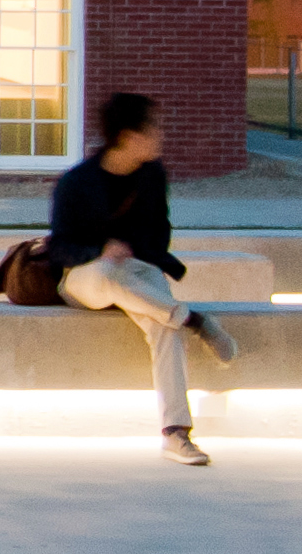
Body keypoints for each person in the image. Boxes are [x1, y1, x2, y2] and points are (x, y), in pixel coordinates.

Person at [46, 91, 239, 464]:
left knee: (163, 325)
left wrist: (134, 251)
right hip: (87, 277)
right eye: (154, 128)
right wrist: (102, 250)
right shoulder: (77, 182)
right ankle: (193, 319)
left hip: (138, 272)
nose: (161, 134)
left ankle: (176, 435)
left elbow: (160, 235)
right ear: (128, 136)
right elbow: (60, 248)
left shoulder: (152, 175)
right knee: (109, 274)